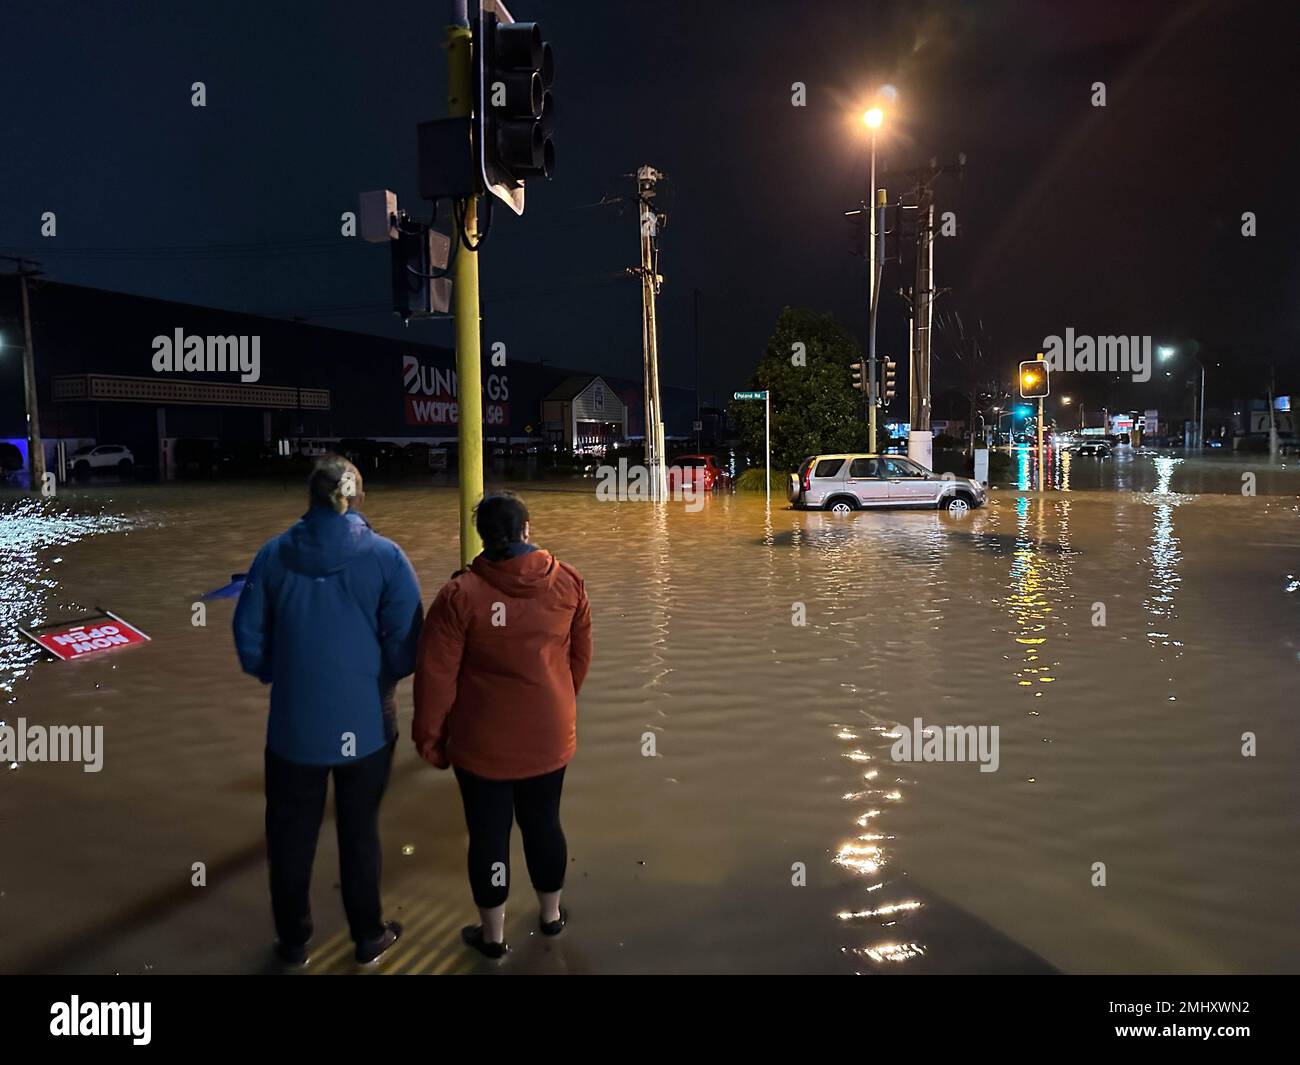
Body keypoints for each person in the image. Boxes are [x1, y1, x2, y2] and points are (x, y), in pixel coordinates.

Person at [233, 455, 422, 967]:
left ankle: (294, 944)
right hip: (367, 727)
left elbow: (247, 635)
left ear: (310, 498)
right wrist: (379, 674)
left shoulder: (271, 557)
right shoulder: (388, 558)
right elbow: (406, 644)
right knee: (360, 831)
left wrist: (280, 672)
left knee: (290, 836)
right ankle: (367, 936)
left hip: (293, 729)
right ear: (358, 498)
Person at [413, 492, 592, 959]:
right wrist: (556, 702)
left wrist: (430, 737)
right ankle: (551, 918)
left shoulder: (459, 595)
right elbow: (579, 658)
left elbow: (435, 676)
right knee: (544, 823)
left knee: (489, 835)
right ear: (526, 531)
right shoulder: (568, 583)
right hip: (549, 734)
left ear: (482, 537)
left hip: (481, 743)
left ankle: (493, 938)